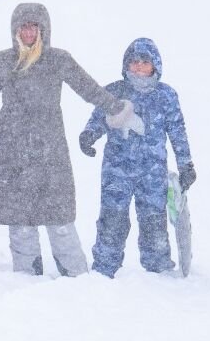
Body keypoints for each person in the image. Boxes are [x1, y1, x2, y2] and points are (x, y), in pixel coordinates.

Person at [0, 2, 143, 276]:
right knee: (20, 221)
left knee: (59, 219)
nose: (28, 32)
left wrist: (117, 109)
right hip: (11, 149)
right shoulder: (3, 61)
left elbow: (88, 89)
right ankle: (26, 279)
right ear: (15, 30)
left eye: (33, 26)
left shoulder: (58, 60)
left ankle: (79, 279)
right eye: (23, 27)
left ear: (43, 29)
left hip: (50, 149)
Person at [78, 38, 196, 277]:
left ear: (156, 65)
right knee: (112, 219)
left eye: (145, 62)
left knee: (154, 219)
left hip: (152, 173)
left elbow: (177, 131)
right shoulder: (115, 91)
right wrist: (89, 135)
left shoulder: (166, 96)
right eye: (134, 62)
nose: (139, 67)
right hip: (116, 170)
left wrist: (186, 164)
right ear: (126, 65)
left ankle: (158, 266)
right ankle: (104, 267)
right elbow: (99, 118)